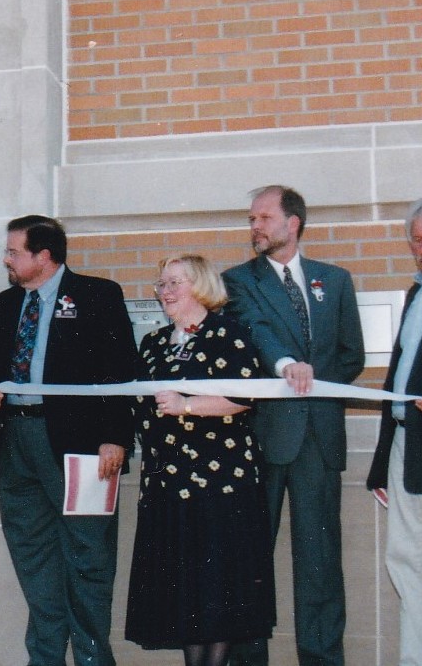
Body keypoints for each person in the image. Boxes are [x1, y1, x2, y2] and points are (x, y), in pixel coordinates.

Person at [0, 215, 140, 666]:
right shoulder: (0, 304)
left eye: (13, 252)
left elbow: (121, 370)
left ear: (44, 256)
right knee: (34, 560)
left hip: (82, 449)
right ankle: (44, 659)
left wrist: (115, 438)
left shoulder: (98, 296)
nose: (6, 259)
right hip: (15, 444)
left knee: (89, 559)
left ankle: (91, 660)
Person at [221, 186, 362, 666]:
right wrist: (286, 366)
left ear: (293, 223)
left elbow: (350, 355)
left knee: (320, 563)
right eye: (251, 219)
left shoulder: (335, 281)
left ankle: (322, 659)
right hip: (262, 439)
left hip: (319, 441)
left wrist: (315, 388)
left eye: (263, 217)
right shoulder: (237, 281)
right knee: (251, 561)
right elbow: (255, 331)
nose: (254, 226)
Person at [126, 255, 275, 666]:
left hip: (220, 487)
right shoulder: (153, 342)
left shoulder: (229, 333)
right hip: (167, 487)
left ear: (201, 286)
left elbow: (246, 397)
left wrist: (187, 405)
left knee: (218, 591)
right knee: (186, 594)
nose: (165, 291)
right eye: (161, 284)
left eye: (175, 282)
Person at [366, 195, 422, 666]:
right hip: (407, 443)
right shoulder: (418, 293)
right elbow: (398, 380)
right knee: (410, 569)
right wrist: (382, 462)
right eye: (416, 239)